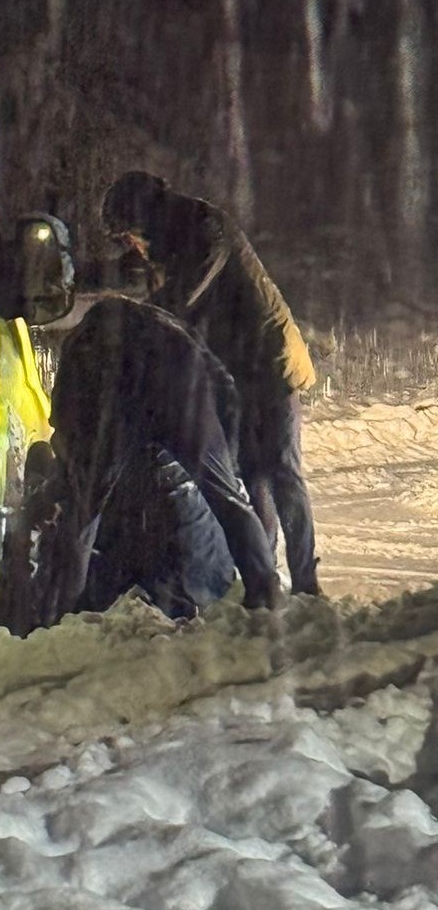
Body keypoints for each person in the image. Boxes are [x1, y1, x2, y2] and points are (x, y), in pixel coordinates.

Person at [101, 171, 320, 595]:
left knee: (281, 471)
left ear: (142, 215)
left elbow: (184, 296)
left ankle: (307, 583)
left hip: (271, 365)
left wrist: (138, 316)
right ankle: (264, 577)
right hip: (240, 371)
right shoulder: (172, 240)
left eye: (130, 235)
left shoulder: (203, 226)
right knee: (251, 473)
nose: (132, 246)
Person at [24, 296, 282, 623]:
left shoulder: (84, 346)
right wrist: (226, 468)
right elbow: (225, 397)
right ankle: (265, 593)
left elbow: (65, 422)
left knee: (84, 514)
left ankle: (59, 616)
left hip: (117, 394)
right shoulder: (184, 343)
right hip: (179, 387)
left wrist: (72, 474)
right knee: (227, 498)